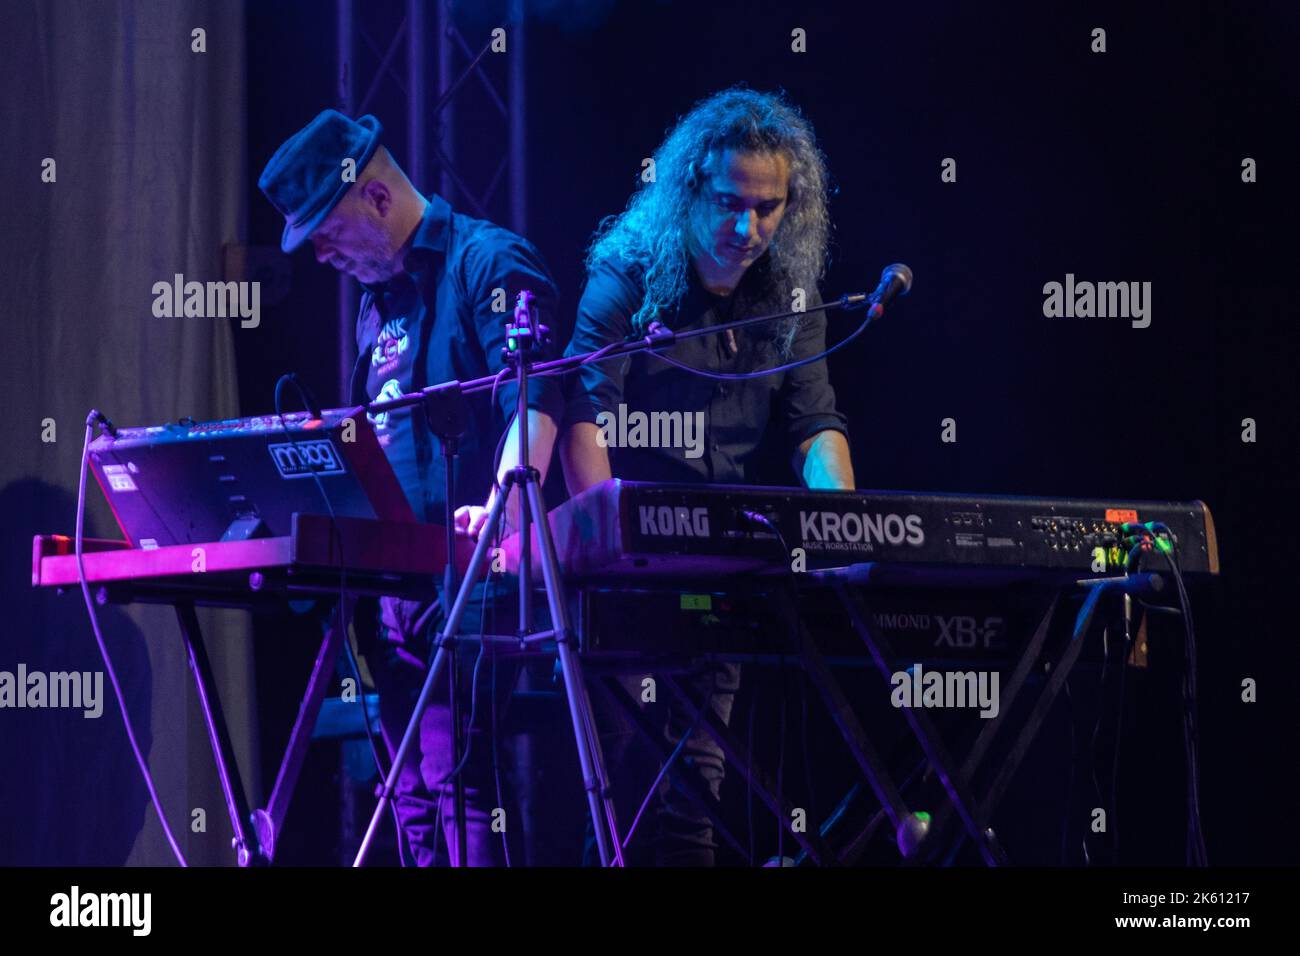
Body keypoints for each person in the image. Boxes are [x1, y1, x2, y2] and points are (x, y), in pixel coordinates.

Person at [560, 87, 855, 866]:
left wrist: (847, 528)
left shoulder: (791, 296)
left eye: (769, 208)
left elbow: (813, 421)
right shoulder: (626, 277)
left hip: (722, 565)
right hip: (625, 567)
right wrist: (605, 549)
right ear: (688, 189)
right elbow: (584, 415)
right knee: (619, 791)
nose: (748, 229)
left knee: (697, 786)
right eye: (730, 204)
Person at [259, 109, 561, 865]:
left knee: (456, 778)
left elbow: (539, 397)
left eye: (326, 232)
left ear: (378, 198)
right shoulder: (376, 304)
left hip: (470, 581)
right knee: (411, 796)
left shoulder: (488, 262)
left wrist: (508, 504)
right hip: (391, 591)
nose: (322, 256)